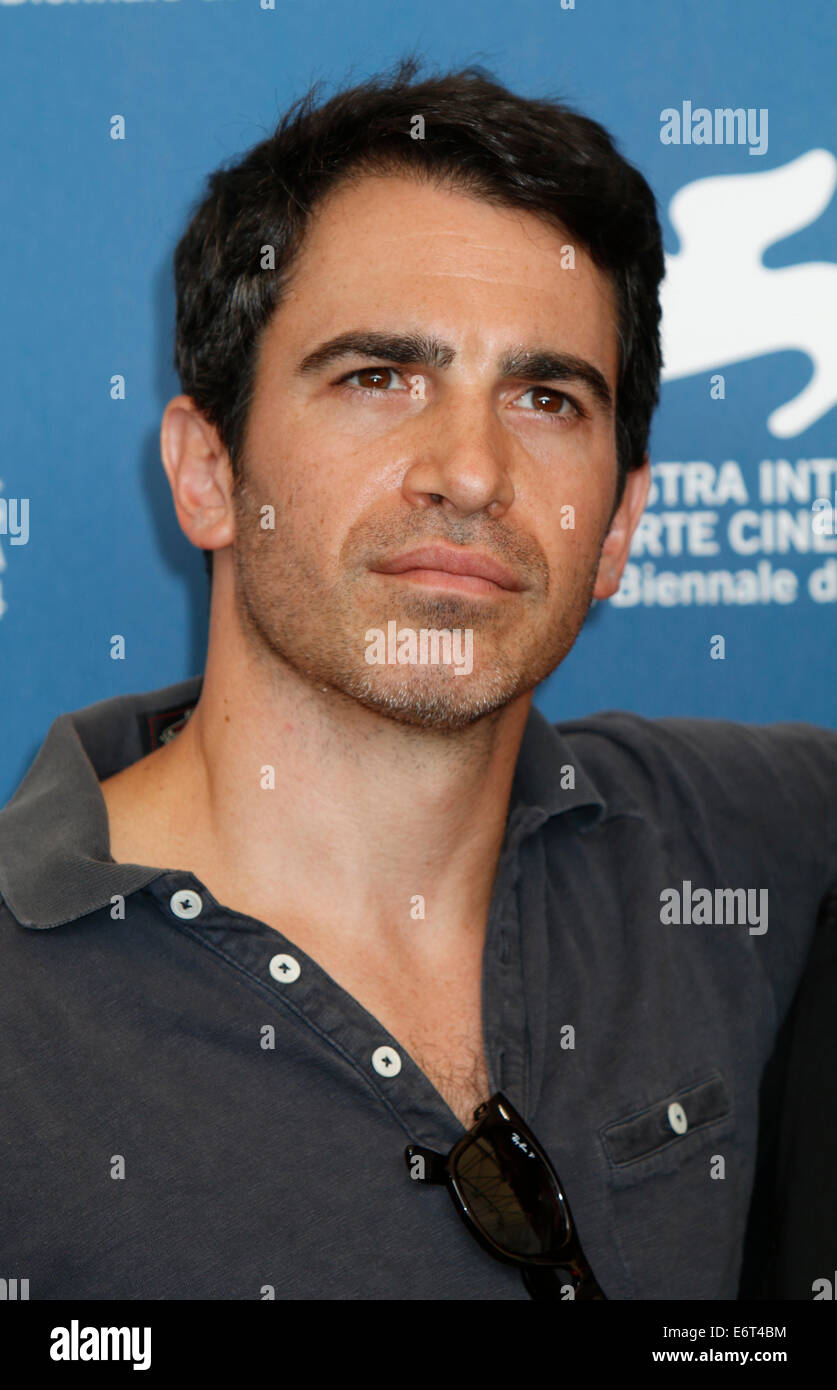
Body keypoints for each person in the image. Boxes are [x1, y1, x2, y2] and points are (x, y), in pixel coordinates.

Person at [1, 57, 834, 1301]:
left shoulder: (728, 841)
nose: (470, 469)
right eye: (380, 378)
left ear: (616, 529)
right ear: (208, 471)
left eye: (547, 397)